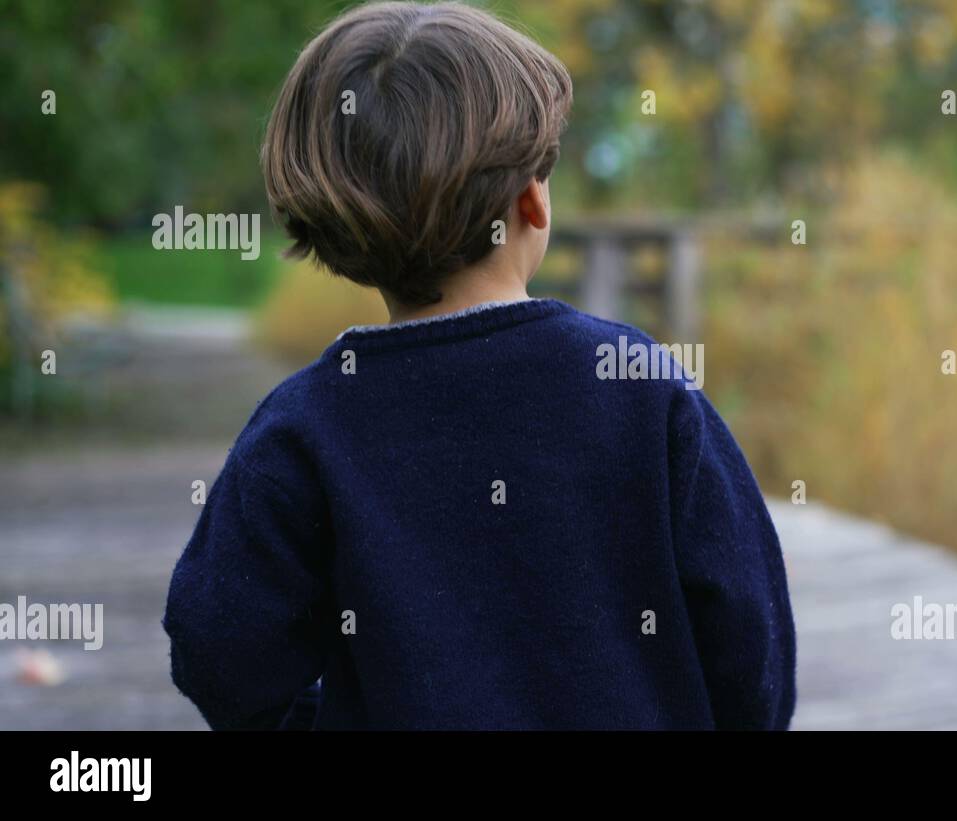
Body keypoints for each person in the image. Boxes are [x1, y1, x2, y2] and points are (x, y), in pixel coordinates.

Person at [162, 1, 796, 730]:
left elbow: (218, 651)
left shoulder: (304, 427)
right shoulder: (637, 386)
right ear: (532, 202)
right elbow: (751, 641)